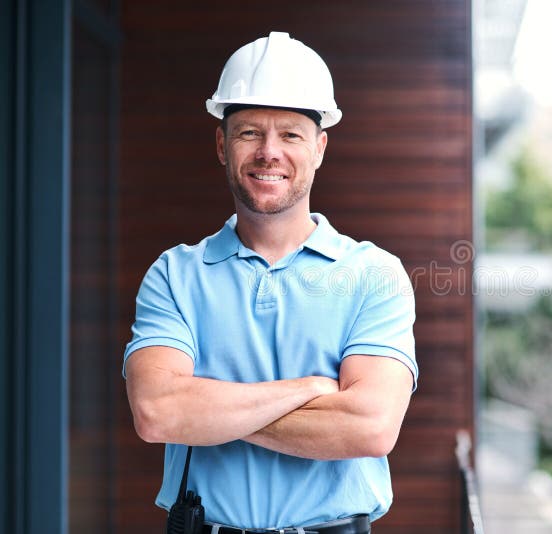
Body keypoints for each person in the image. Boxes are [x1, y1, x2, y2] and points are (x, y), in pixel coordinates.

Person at [123, 32, 417, 534]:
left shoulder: (375, 275)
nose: (269, 152)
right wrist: (309, 390)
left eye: (291, 135)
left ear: (320, 148)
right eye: (249, 133)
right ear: (222, 144)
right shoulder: (174, 275)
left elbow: (370, 426)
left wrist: (211, 413)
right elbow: (157, 412)